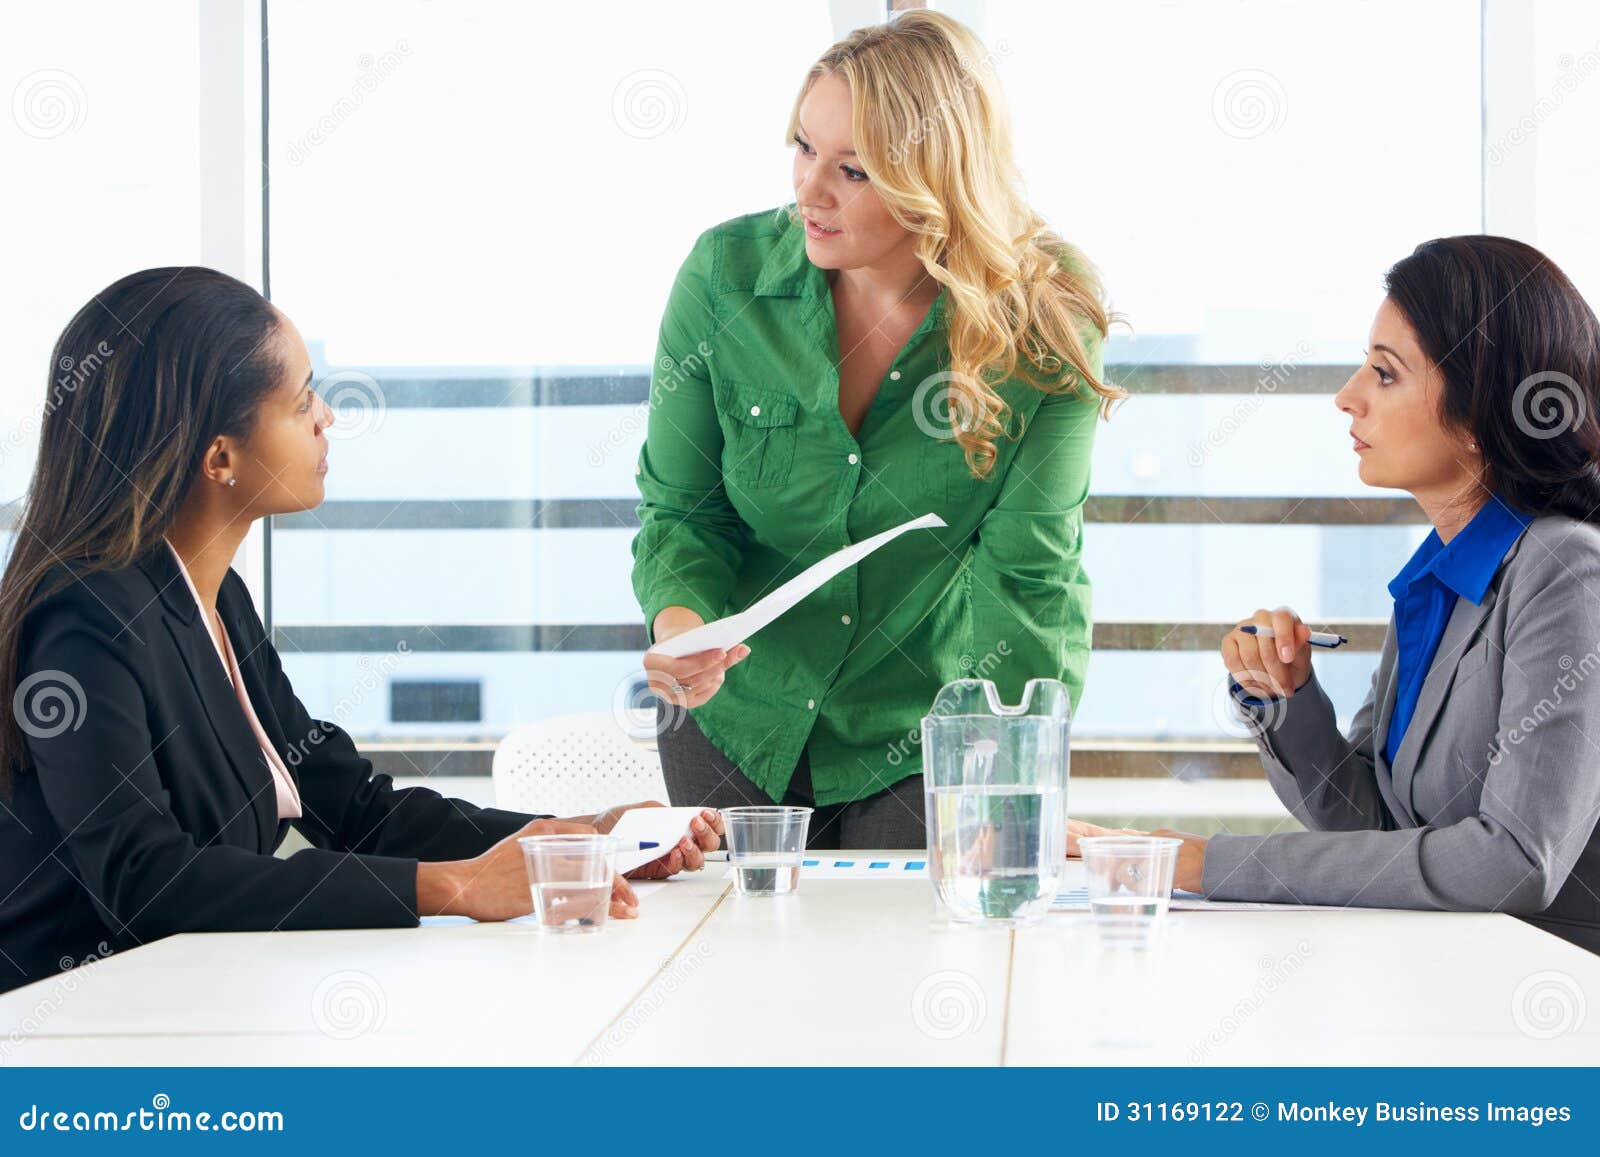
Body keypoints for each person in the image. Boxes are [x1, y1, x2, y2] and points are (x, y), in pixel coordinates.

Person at [0, 267, 723, 995]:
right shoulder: (83, 620)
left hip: (183, 1002)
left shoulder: (213, 599)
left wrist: (585, 840)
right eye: (300, 400)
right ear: (219, 456)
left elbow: (352, 808)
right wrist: (458, 887)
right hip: (67, 1031)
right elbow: (145, 878)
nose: (327, 417)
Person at [633, 10, 1121, 849]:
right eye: (802, 146)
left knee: (906, 964)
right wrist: (681, 626)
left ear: (939, 176)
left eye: (854, 170)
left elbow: (1031, 578)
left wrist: (1011, 777)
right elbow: (684, 510)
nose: (810, 189)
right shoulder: (725, 279)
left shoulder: (1047, 311)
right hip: (736, 726)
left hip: (918, 741)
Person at [1072, 236, 1600, 954]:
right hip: (1446, 980)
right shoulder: (1438, 575)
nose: (1347, 396)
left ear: (1478, 412)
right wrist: (1290, 699)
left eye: (1385, 374)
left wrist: (1205, 863)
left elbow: (1511, 860)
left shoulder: (1566, 571)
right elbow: (1375, 827)